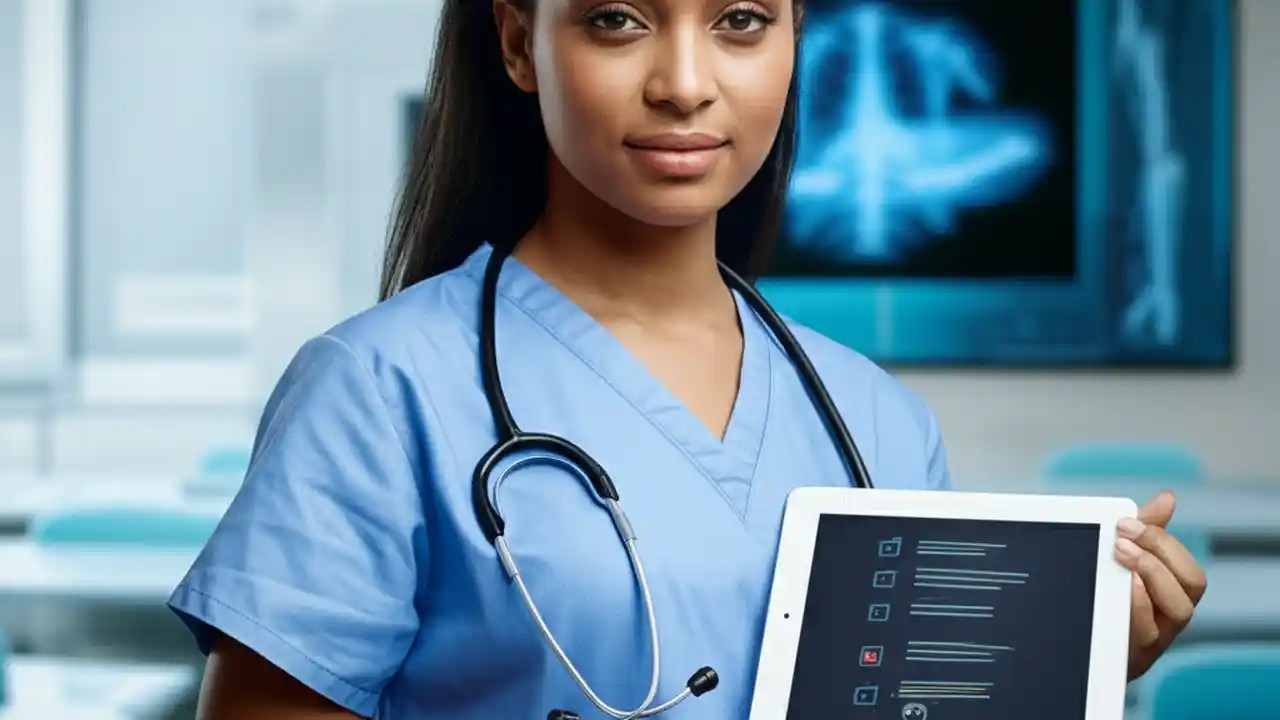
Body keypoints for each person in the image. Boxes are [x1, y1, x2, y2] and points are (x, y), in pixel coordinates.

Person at [168, 1, 1207, 717]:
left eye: (741, 22)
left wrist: (1059, 670)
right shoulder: (377, 388)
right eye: (616, 20)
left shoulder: (876, 418)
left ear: (794, 41)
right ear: (517, 44)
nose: (682, 83)